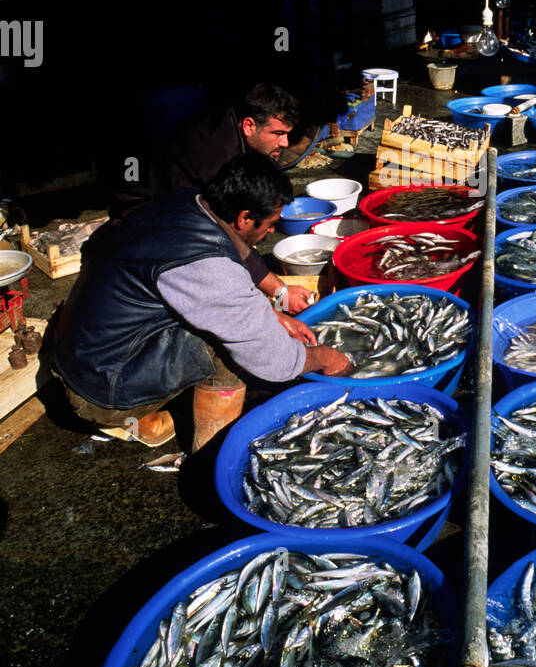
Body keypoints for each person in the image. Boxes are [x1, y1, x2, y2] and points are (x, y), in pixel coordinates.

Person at [53, 154, 352, 449]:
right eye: (270, 224)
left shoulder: (187, 203)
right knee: (233, 349)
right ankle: (211, 453)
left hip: (80, 357)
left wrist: (276, 314)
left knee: (241, 320)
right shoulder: (206, 264)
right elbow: (273, 359)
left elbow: (235, 266)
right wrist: (322, 356)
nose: (272, 231)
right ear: (244, 218)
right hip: (101, 390)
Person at [111, 82, 311, 316]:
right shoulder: (215, 157)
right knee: (214, 257)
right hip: (139, 218)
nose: (285, 143)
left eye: (287, 134)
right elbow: (220, 229)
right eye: (277, 134)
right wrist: (279, 290)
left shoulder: (234, 126)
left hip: (178, 203)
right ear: (249, 126)